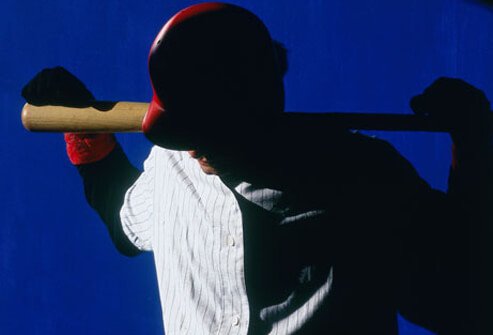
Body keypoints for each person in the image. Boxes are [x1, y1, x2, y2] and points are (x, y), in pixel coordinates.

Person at [21, 3, 493, 335]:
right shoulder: (169, 167)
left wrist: (474, 149)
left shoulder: (361, 173)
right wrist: (85, 129)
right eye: (183, 137)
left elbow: (460, 301)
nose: (192, 152)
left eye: (207, 136)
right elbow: (124, 224)